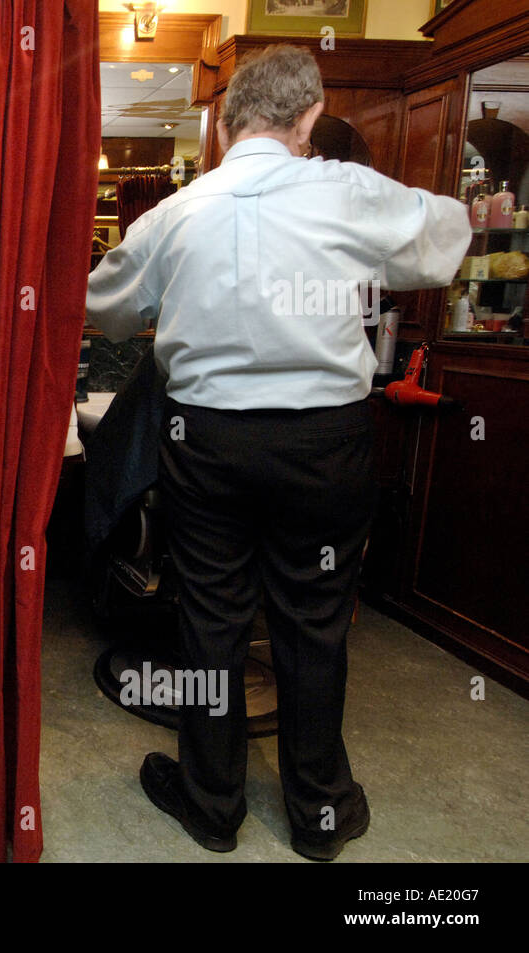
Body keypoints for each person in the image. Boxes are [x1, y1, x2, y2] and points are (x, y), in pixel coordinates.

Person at [86, 45, 470, 860]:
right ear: (306, 120)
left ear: (225, 127)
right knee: (314, 622)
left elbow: (105, 308)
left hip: (207, 440)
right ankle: (321, 810)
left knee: (211, 620)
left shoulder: (179, 212)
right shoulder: (349, 191)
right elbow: (446, 240)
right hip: (324, 443)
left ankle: (211, 803)